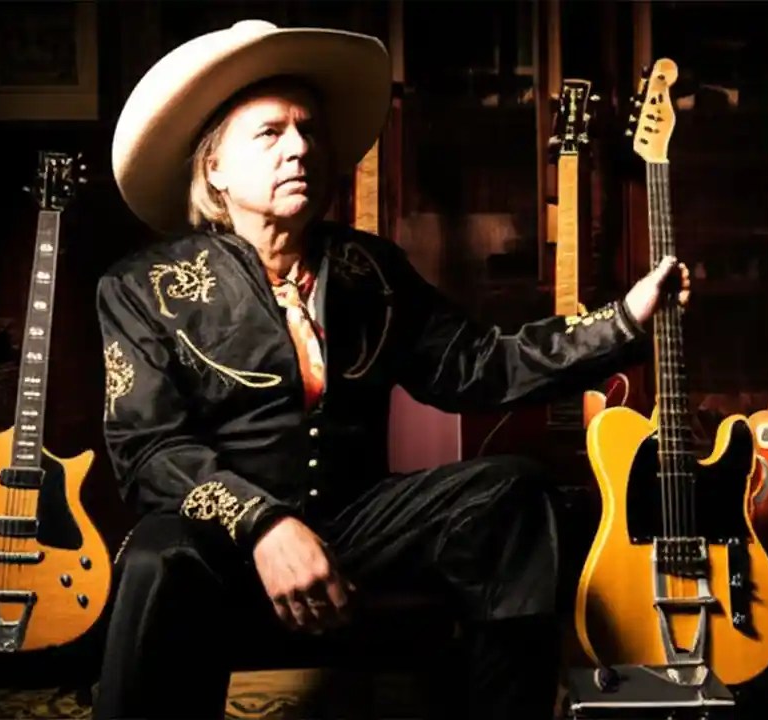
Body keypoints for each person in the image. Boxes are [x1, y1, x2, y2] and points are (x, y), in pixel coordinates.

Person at [94, 19, 691, 720]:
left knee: (513, 493)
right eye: (270, 133)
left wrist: (624, 319)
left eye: (308, 131)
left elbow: (479, 366)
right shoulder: (141, 286)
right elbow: (149, 449)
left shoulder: (368, 269)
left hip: (358, 525)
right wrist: (264, 525)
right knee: (157, 557)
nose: (300, 148)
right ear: (215, 168)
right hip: (221, 539)